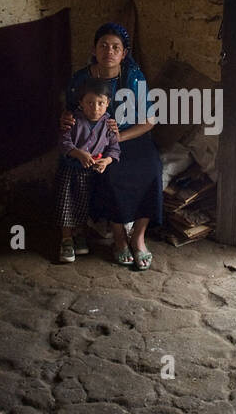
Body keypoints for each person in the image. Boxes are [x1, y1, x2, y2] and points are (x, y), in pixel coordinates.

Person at [62, 23, 163, 271]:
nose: (109, 51)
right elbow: (69, 110)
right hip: (94, 138)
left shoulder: (133, 77)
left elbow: (149, 121)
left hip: (129, 136)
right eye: (103, 46)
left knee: (152, 168)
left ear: (124, 53)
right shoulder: (82, 78)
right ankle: (119, 238)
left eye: (115, 47)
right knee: (112, 173)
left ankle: (138, 237)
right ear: (94, 50)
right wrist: (64, 117)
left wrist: (120, 138)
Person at [55, 79, 120, 263]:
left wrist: (106, 161)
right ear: (81, 103)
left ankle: (80, 235)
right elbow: (64, 142)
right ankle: (66, 239)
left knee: (84, 205)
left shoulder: (109, 125)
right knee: (67, 203)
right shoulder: (73, 120)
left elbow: (114, 149)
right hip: (71, 170)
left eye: (100, 103)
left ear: (108, 102)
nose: (95, 108)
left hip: (92, 173)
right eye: (90, 103)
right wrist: (78, 153)